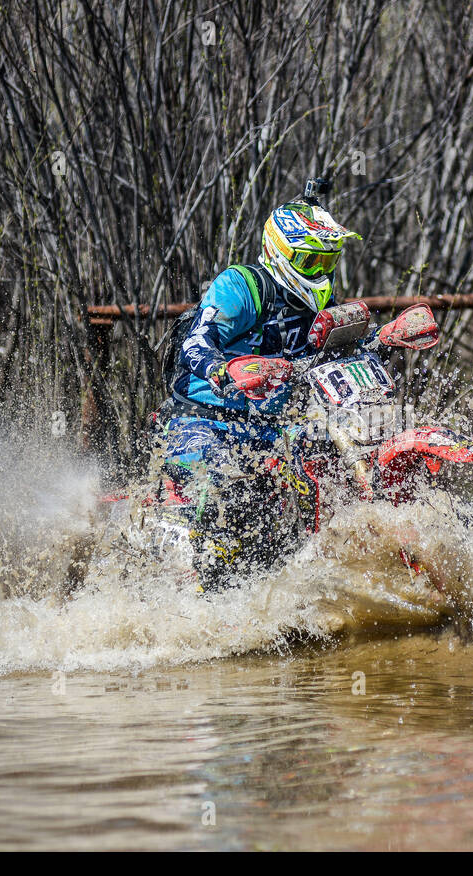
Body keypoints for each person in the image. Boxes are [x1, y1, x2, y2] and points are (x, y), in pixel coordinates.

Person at [160, 185, 361, 585]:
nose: (319, 272)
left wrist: (380, 338)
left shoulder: (318, 299)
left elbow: (332, 352)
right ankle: (183, 576)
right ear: (280, 253)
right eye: (309, 260)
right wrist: (225, 369)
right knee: (218, 481)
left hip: (274, 427)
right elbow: (194, 342)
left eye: (327, 261)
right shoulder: (241, 285)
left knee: (327, 469)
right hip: (204, 419)